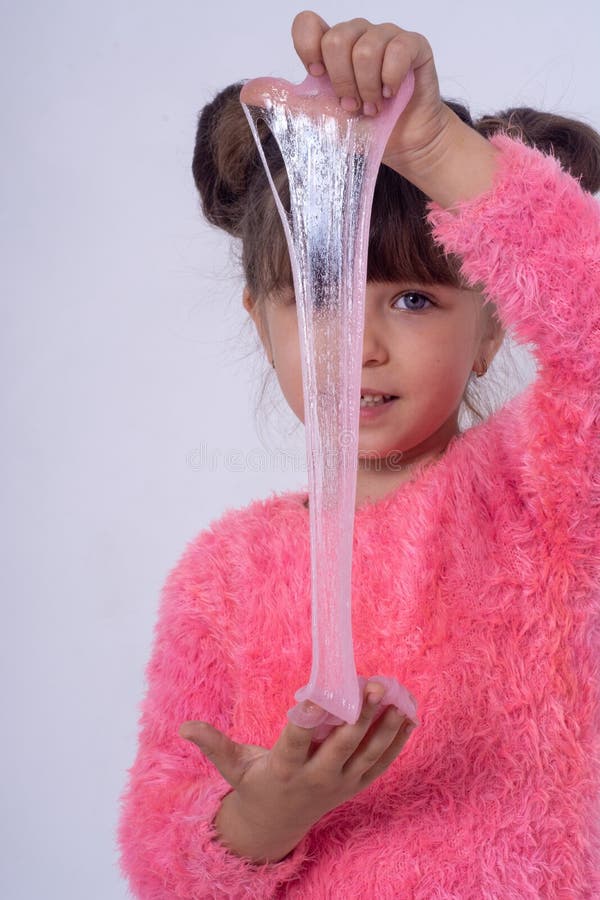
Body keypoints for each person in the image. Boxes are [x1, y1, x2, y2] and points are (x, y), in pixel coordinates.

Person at [117, 12, 600, 898]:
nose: (359, 347)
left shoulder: (545, 492)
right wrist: (269, 816)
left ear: (492, 328)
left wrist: (435, 148)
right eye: (318, 296)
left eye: (413, 300)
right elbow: (161, 857)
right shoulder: (222, 579)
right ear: (261, 323)